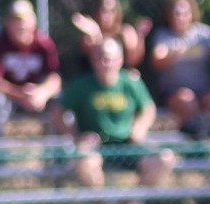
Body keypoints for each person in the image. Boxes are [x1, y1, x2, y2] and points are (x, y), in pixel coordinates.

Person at [54, 36, 176, 191]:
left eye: (110, 58)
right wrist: (77, 136)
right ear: (93, 60)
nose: (105, 63)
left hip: (128, 145)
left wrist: (140, 127)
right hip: (96, 146)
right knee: (84, 160)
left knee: (164, 158)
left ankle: (133, 200)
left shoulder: (131, 83)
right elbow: (58, 112)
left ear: (120, 60)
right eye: (100, 58)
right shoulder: (81, 85)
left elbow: (148, 108)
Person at [148, 0, 210, 127]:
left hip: (202, 91)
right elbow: (156, 61)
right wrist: (172, 55)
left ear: (192, 14)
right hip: (173, 93)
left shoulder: (204, 33)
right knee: (187, 99)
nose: (181, 17)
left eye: (185, 13)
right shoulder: (163, 35)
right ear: (169, 15)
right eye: (177, 14)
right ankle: (196, 131)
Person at [0, 0, 61, 138]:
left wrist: (42, 93)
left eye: (24, 20)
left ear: (33, 22)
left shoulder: (44, 44)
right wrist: (20, 94)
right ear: (8, 23)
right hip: (10, 97)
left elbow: (55, 79)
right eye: (15, 20)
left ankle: (56, 146)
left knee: (59, 101)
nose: (20, 25)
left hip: (36, 97)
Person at [68, 0, 148, 75]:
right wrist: (96, 33)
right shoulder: (90, 30)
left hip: (118, 76)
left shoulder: (125, 32)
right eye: (103, 10)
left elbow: (133, 61)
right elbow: (92, 54)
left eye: (111, 11)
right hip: (93, 76)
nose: (106, 15)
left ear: (117, 13)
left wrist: (140, 37)